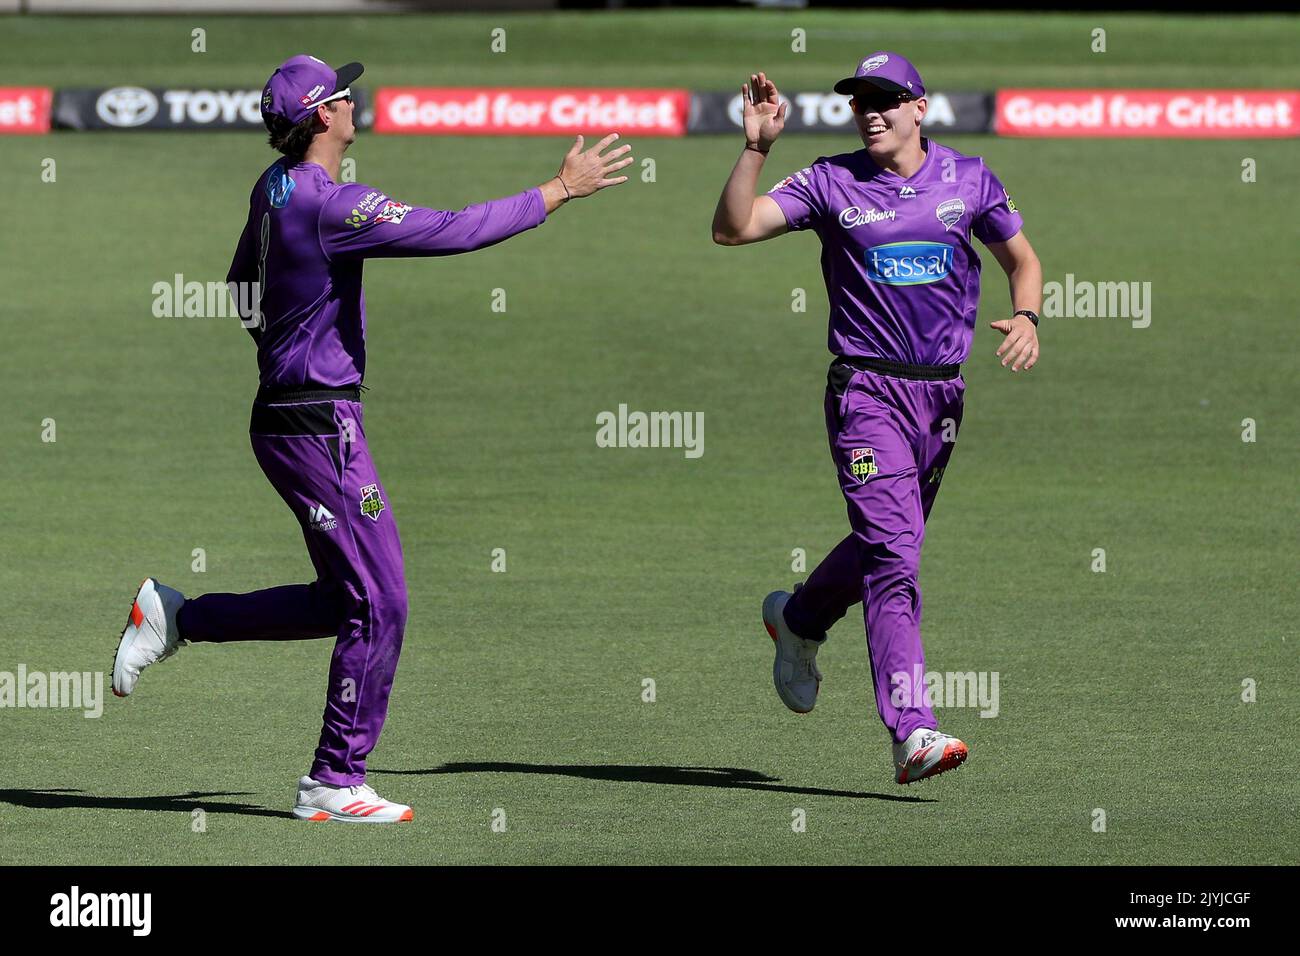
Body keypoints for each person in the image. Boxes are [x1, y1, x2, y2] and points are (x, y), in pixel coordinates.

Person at [111, 54, 632, 822]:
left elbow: (239, 286)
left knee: (346, 599)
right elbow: (453, 231)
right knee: (382, 601)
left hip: (297, 413)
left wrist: (286, 341)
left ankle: (180, 617)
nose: (358, 101)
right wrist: (558, 189)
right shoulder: (330, 203)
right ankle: (333, 777)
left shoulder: (273, 187)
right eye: (345, 94)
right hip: (315, 425)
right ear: (323, 114)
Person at [712, 53, 1041, 784]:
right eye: (862, 101)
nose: (873, 112)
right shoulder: (831, 181)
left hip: (943, 400)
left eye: (888, 99)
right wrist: (757, 148)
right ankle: (911, 729)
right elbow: (734, 229)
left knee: (883, 542)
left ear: (920, 106)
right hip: (865, 394)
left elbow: (1022, 258)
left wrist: (1027, 316)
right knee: (896, 556)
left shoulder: (969, 178)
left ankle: (798, 621)